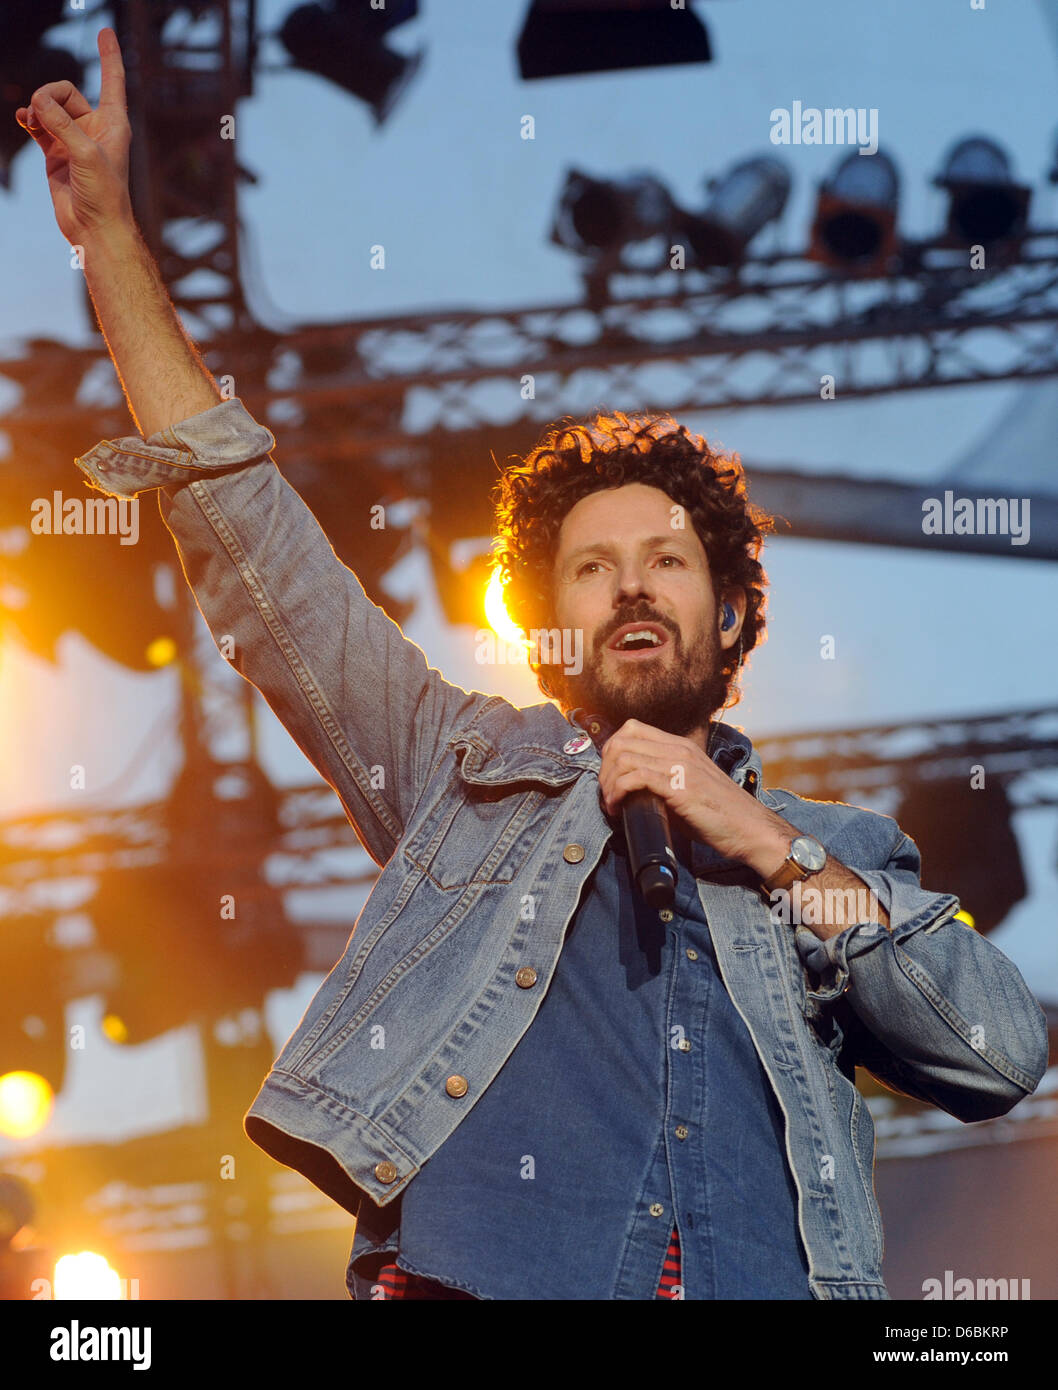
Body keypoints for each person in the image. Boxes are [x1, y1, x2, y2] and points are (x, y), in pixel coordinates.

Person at [20, 29, 1049, 1302]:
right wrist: (111, 236)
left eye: (665, 561)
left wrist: (763, 841)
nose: (628, 582)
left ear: (728, 616)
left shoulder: (836, 851)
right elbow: (248, 529)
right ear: (548, 623)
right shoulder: (454, 766)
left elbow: (993, 1050)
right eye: (589, 565)